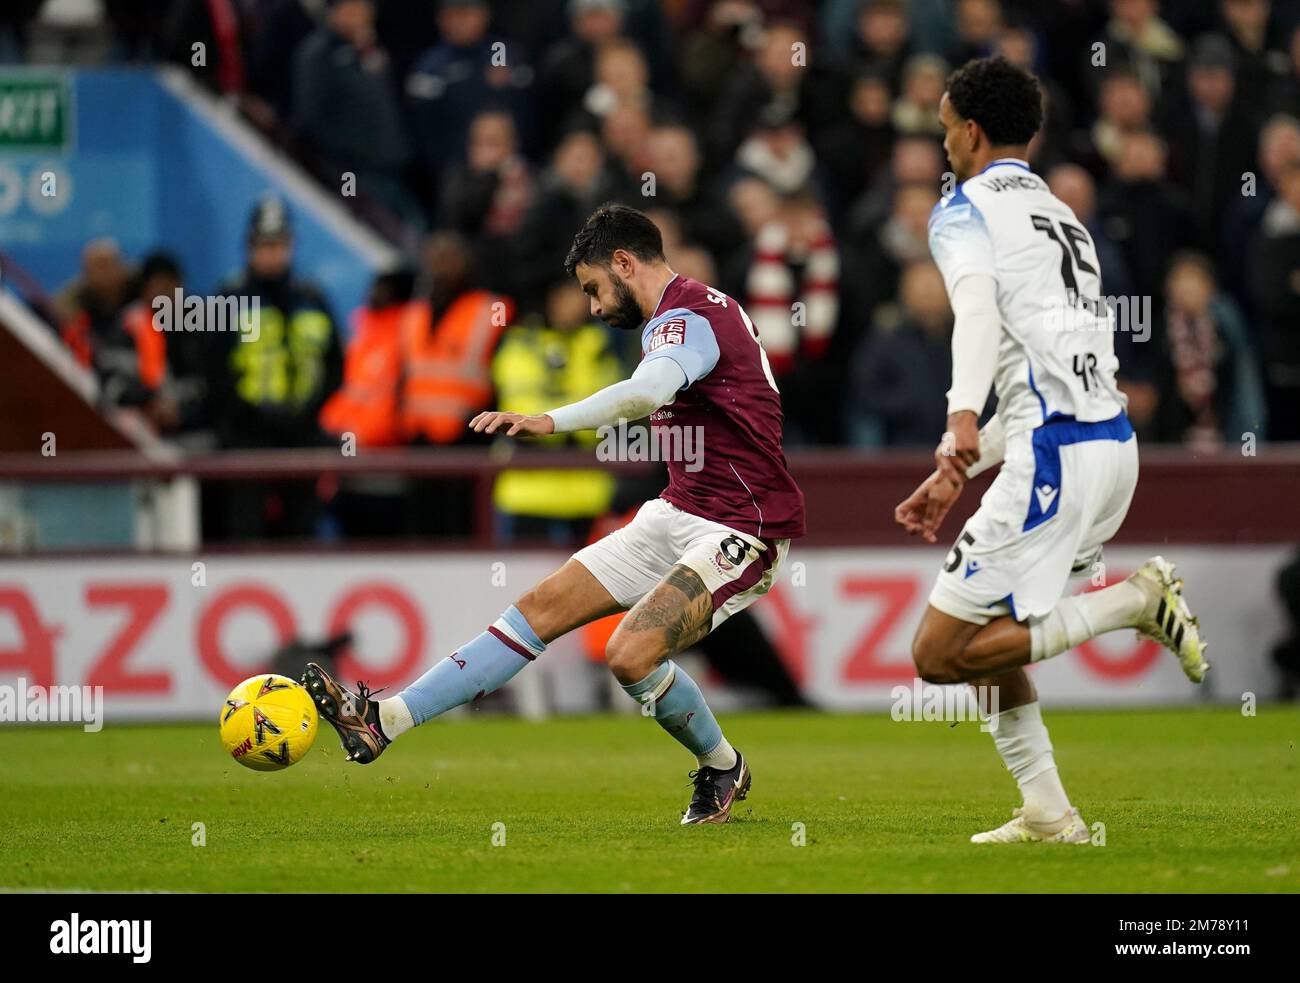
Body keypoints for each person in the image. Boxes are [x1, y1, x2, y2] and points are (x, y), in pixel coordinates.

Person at [304, 204, 806, 825]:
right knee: (537, 609)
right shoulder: (683, 318)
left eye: (594, 287)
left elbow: (648, 393)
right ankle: (387, 720)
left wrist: (551, 419)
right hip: (678, 510)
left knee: (629, 655)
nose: (594, 307)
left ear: (625, 263)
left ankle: (722, 765)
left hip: (743, 528)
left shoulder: (690, 317)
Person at [893, 57, 1209, 845]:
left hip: (1057, 458)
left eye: (943, 132)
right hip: (1106, 447)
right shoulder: (1067, 217)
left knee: (938, 655)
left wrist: (960, 417)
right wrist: (958, 464)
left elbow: (972, 315)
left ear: (969, 131)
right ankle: (1048, 811)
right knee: (987, 642)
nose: (943, 149)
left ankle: (1135, 602)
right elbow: (1050, 371)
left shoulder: (961, 209)